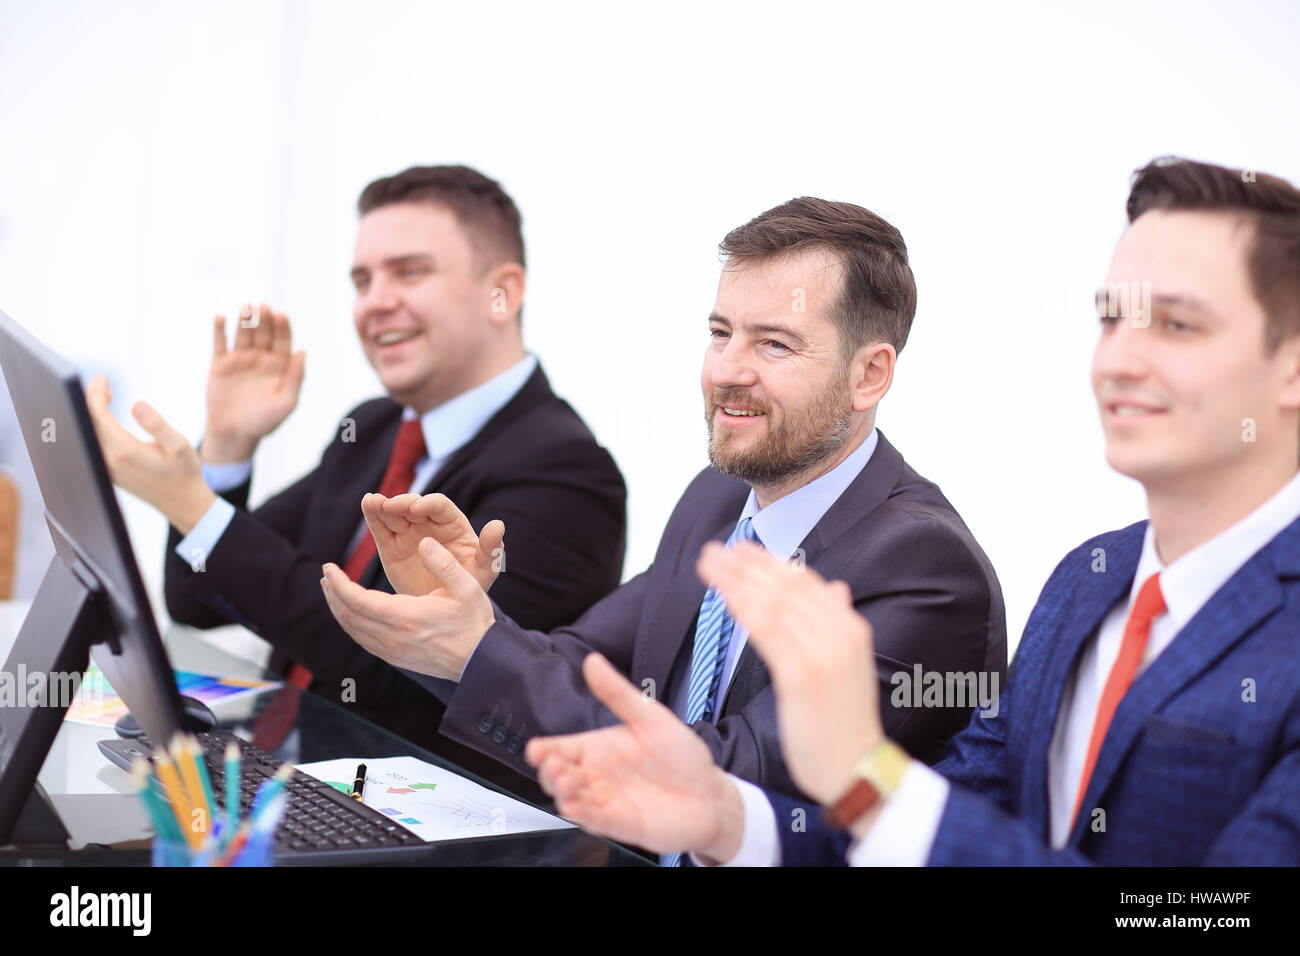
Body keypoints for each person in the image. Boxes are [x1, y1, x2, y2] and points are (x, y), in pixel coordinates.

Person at [524, 157, 1300, 866]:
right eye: (1111, 319)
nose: (1122, 359)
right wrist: (725, 816)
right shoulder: (1087, 583)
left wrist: (863, 771)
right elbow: (951, 823)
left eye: (1179, 324)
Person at [320, 196, 1008, 819]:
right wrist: (458, 620)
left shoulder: (926, 568)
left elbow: (740, 776)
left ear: (869, 375)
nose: (726, 371)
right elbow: (582, 663)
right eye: (720, 332)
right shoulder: (717, 500)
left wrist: (477, 651)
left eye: (774, 343)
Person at [86, 165, 627, 797]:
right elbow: (195, 598)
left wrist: (192, 504)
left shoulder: (568, 474)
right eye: (362, 280)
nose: (373, 302)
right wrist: (228, 447)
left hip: (409, 823)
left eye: (409, 271)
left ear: (500, 292)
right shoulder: (370, 429)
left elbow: (385, 668)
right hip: (277, 786)